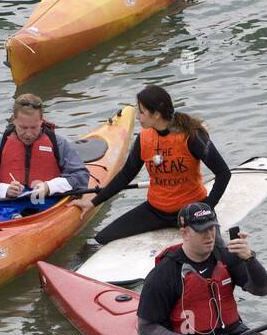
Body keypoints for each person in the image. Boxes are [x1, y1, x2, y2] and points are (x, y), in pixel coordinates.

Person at [137, 200, 267, 335]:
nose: (209, 235)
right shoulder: (164, 273)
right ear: (185, 233)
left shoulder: (226, 256)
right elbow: (146, 328)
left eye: (212, 228)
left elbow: (262, 290)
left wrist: (250, 259)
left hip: (235, 334)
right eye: (202, 230)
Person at [78, 85, 231, 244]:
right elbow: (125, 176)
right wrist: (93, 202)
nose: (137, 116)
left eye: (141, 112)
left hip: (190, 211)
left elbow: (223, 173)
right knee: (102, 238)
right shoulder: (144, 138)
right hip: (156, 211)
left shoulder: (191, 136)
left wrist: (206, 208)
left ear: (156, 114)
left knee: (219, 252)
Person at [0, 94, 90, 204]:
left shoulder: (58, 144)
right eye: (23, 127)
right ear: (14, 121)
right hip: (9, 204)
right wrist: (5, 189)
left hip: (47, 202)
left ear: (41, 121)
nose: (28, 134)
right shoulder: (0, 145)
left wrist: (48, 187)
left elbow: (81, 176)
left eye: (34, 127)